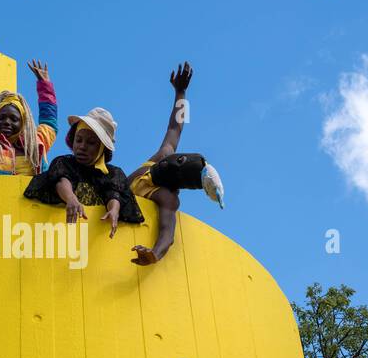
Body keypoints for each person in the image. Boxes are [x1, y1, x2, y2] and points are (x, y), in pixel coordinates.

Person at [126, 62, 224, 265]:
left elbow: (167, 233)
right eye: (180, 160)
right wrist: (181, 93)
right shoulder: (162, 155)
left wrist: (155, 254)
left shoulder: (167, 197)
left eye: (178, 170)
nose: (172, 164)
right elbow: (175, 127)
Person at [22, 106, 145, 236]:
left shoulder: (114, 174)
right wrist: (71, 198)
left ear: (102, 148)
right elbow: (61, 180)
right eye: (78, 140)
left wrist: (114, 210)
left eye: (91, 142)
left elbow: (114, 193)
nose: (82, 146)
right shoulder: (64, 162)